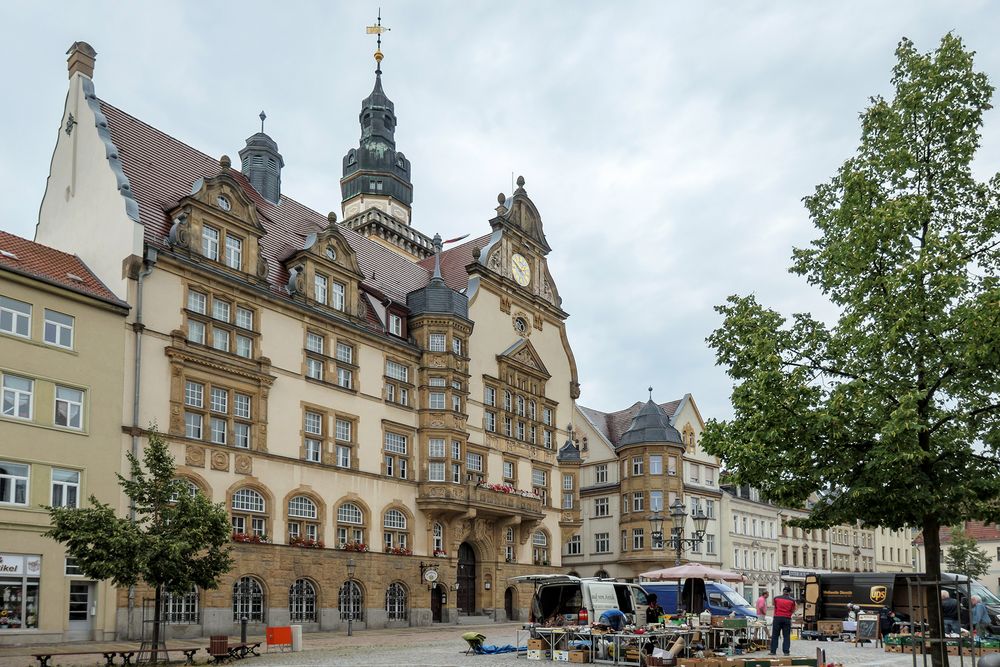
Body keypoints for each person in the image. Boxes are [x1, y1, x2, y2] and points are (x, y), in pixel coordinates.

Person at [769, 586, 796, 656]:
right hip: (787, 618)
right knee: (786, 636)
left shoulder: (776, 598)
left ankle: (773, 651)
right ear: (789, 593)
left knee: (775, 635)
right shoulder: (792, 600)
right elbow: (793, 610)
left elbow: (774, 605)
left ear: (783, 591)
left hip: (777, 618)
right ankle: (786, 652)